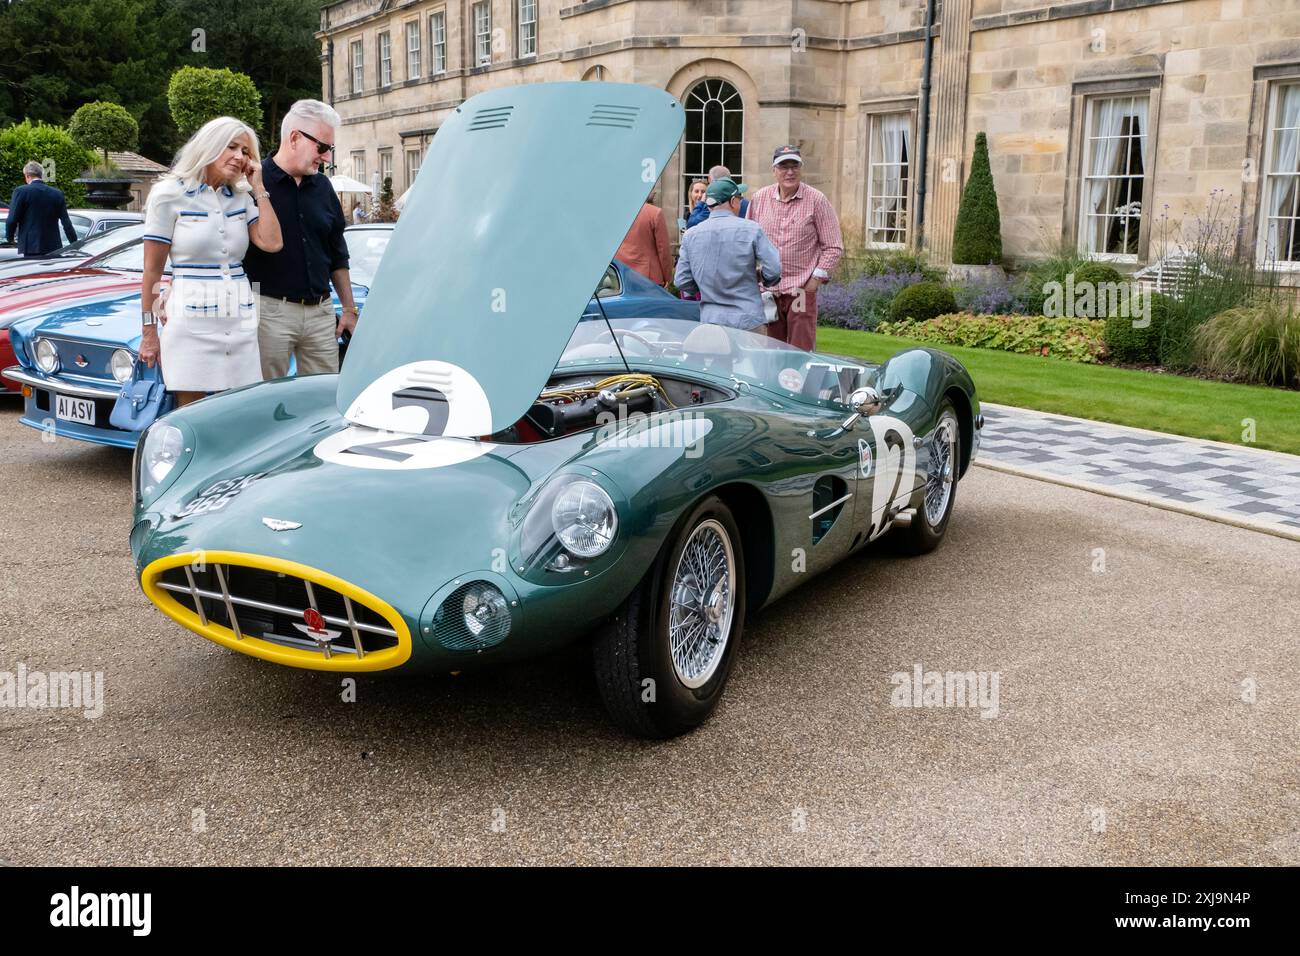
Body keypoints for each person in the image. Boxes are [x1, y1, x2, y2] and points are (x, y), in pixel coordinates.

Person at [139, 117, 284, 407]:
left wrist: (258, 187)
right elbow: (152, 271)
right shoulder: (168, 195)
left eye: (245, 151)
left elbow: (272, 243)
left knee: (236, 410)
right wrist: (149, 331)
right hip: (190, 322)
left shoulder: (241, 198)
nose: (239, 156)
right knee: (190, 412)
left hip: (239, 319)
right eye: (232, 147)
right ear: (209, 145)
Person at [243, 99, 358, 380]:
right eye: (322, 147)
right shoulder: (253, 183)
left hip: (321, 312)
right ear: (294, 138)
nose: (327, 158)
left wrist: (349, 308)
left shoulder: (324, 187)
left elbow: (337, 253)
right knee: (266, 397)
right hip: (268, 310)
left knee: (324, 396)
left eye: (330, 149)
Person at [746, 146, 843, 351]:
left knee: (801, 352)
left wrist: (813, 283)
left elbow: (833, 246)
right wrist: (753, 277)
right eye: (783, 167)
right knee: (770, 352)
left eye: (794, 166)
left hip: (801, 290)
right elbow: (747, 242)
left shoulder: (816, 200)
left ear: (801, 169)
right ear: (774, 170)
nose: (789, 172)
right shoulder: (760, 199)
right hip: (768, 292)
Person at [673, 178, 781, 332]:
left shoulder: (690, 235)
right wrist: (761, 278)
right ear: (732, 201)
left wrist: (704, 285)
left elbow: (681, 280)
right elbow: (774, 269)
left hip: (711, 321)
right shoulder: (752, 229)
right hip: (748, 319)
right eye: (739, 199)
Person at [4, 161, 77, 256]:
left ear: (27, 176)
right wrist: (74, 243)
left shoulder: (21, 191)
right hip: (53, 247)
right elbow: (66, 222)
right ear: (41, 175)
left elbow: (12, 219)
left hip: (30, 247)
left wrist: (10, 238)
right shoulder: (57, 194)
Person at [615, 200, 673, 286]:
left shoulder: (615, 213)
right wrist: (667, 277)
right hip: (649, 278)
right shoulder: (655, 213)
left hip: (620, 276)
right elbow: (664, 251)